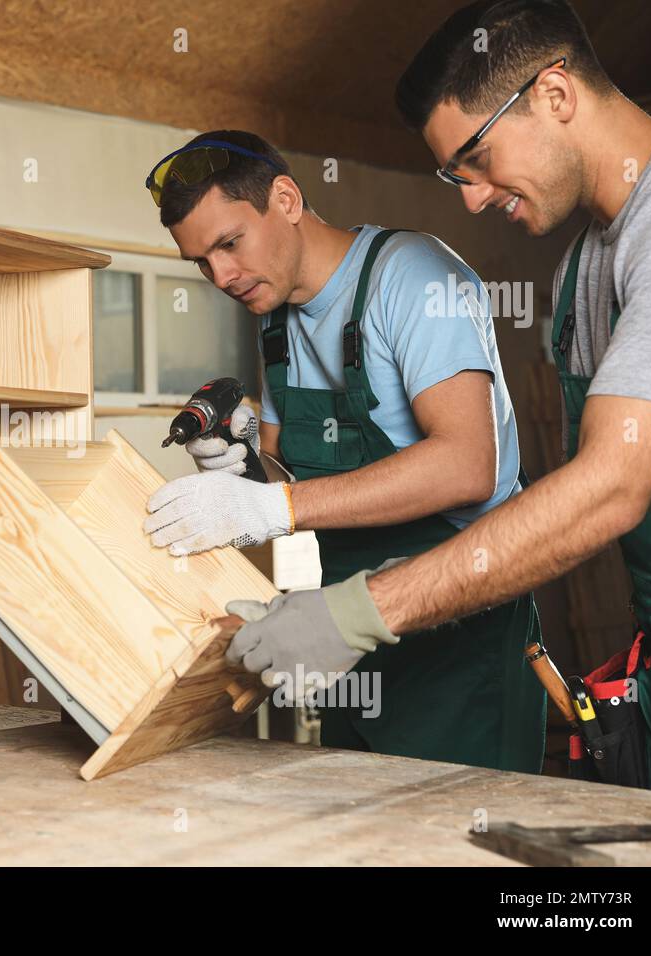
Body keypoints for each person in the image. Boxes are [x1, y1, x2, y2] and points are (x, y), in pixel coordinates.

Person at [223, 0, 651, 793]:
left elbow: (611, 487)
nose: (469, 199)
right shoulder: (583, 269)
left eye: (478, 157)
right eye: (453, 175)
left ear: (555, 95)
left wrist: (359, 612)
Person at [141, 129, 545, 772]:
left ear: (286, 198)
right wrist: (244, 465)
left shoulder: (412, 276)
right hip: (341, 635)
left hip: (458, 639)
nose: (221, 276)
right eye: (201, 263)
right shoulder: (275, 319)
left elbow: (469, 464)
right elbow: (286, 475)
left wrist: (272, 506)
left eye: (228, 243)